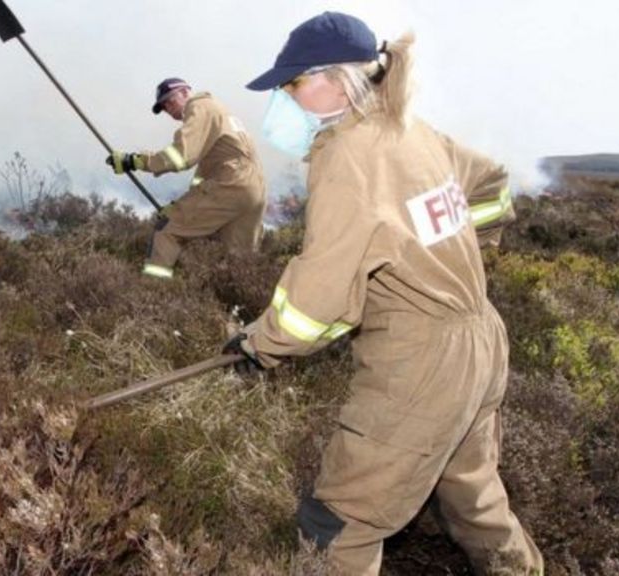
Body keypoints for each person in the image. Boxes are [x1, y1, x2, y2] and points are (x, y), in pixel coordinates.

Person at [222, 11, 544, 576]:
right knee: (475, 499)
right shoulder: (412, 128)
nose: (285, 96)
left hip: (420, 365)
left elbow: (318, 299)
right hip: (481, 340)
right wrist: (473, 244)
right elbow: (492, 180)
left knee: (339, 523)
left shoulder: (347, 153)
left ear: (334, 78)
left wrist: (259, 346)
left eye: (293, 83)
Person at [107, 78, 266, 279]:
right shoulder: (220, 112)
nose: (168, 109)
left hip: (231, 184)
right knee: (240, 259)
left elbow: (180, 156)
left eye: (170, 101)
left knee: (167, 231)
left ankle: (151, 295)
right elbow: (205, 176)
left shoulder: (199, 106)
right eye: (164, 107)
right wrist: (181, 205)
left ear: (185, 92)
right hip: (253, 188)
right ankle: (242, 303)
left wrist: (136, 161)